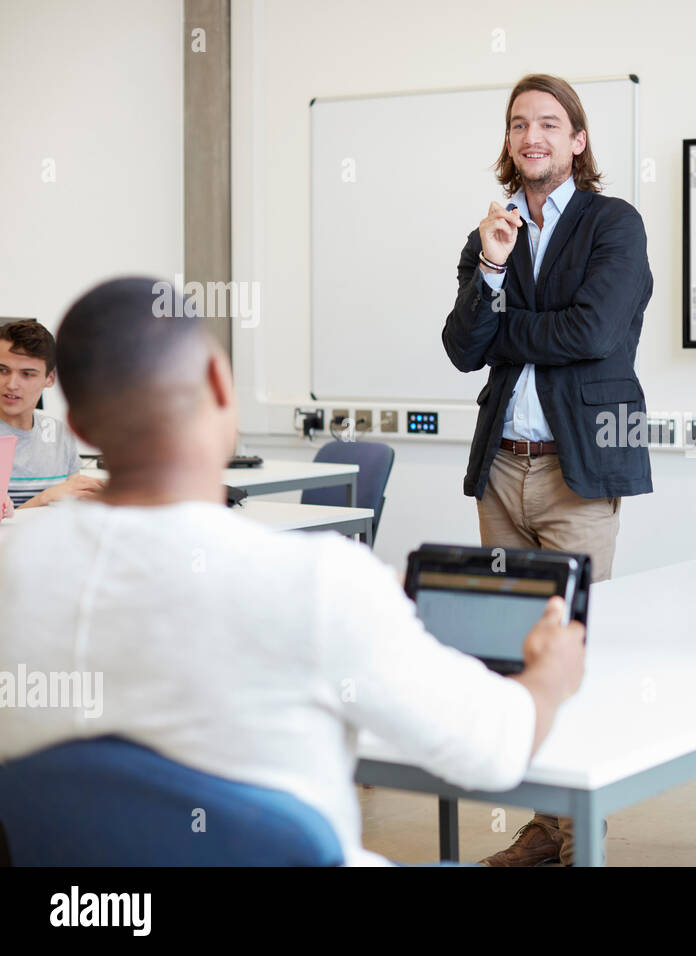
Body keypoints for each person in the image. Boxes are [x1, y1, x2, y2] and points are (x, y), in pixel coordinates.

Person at [0, 278, 586, 866]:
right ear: (219, 386)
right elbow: (492, 750)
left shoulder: (13, 573)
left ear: (71, 420)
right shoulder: (319, 583)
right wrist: (549, 676)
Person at [443, 73, 653, 866]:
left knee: (573, 656)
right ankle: (540, 828)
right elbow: (464, 349)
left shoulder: (614, 225)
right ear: (508, 142)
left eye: (549, 123)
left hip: (579, 464)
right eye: (518, 124)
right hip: (502, 465)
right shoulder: (489, 236)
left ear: (578, 140)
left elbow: (594, 333)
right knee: (510, 656)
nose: (532, 136)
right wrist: (492, 276)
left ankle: (579, 835)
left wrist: (507, 327)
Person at [0, 319, 102, 507]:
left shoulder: (59, 434)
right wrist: (43, 499)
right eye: (2, 370)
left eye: (27, 374)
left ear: (50, 378)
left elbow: (71, 506)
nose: (11, 384)